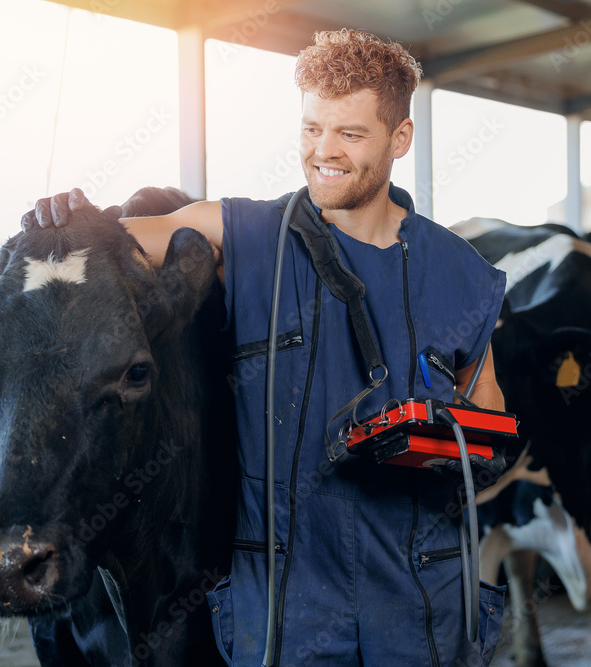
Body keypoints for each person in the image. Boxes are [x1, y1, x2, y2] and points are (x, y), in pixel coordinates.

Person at [26, 29, 508, 666]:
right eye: (312, 129)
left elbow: (492, 427)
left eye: (350, 135)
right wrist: (75, 222)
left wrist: (430, 439)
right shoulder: (245, 235)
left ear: (400, 138)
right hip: (287, 614)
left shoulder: (463, 273)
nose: (324, 153)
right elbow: (139, 237)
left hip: (422, 607)